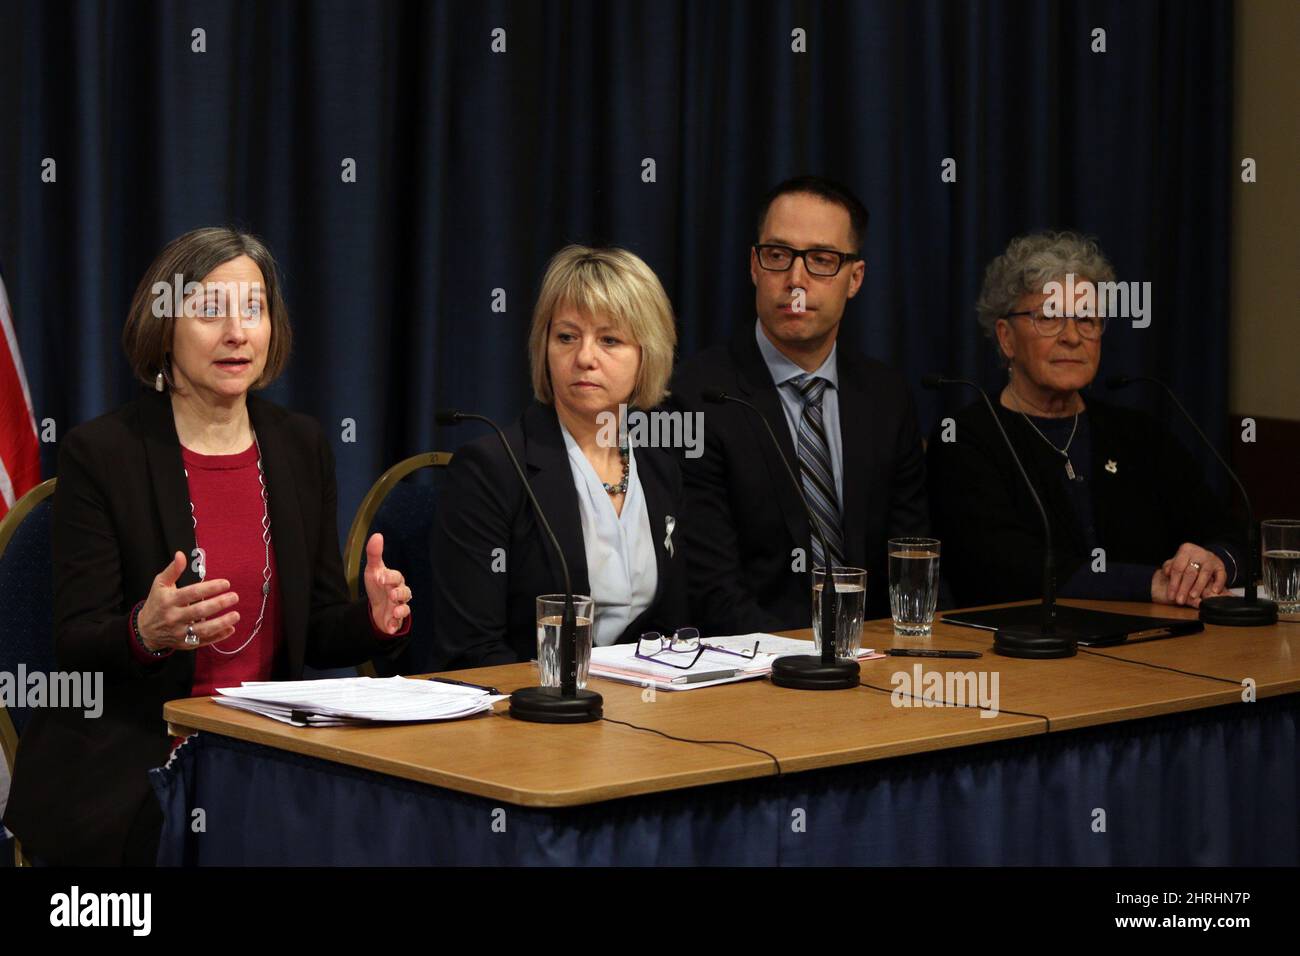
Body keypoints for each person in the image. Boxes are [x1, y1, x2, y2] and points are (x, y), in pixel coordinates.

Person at [5, 228, 411, 865]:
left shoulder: (300, 447)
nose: (236, 333)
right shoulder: (105, 454)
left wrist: (376, 621)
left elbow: (320, 632)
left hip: (266, 755)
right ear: (163, 326)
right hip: (140, 761)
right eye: (209, 311)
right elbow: (75, 639)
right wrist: (145, 629)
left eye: (253, 310)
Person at [927, 230, 1241, 608]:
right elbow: (1003, 570)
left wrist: (1214, 562)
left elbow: (1232, 533)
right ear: (1006, 337)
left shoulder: (1139, 434)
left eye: (1087, 320)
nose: (1072, 337)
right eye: (1050, 318)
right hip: (1022, 653)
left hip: (1157, 647)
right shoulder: (965, 440)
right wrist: (1148, 584)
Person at [670, 175, 929, 634]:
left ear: (856, 278)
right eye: (778, 256)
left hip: (876, 662)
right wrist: (803, 659)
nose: (795, 280)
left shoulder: (886, 396)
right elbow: (710, 587)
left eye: (822, 260)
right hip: (747, 666)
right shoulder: (695, 394)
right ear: (754, 265)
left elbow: (910, 558)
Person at [432, 245, 688, 667]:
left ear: (648, 354)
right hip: (535, 715)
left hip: (649, 714)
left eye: (610, 340)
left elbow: (675, 626)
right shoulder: (492, 469)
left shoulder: (660, 465)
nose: (584, 358)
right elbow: (470, 650)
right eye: (567, 337)